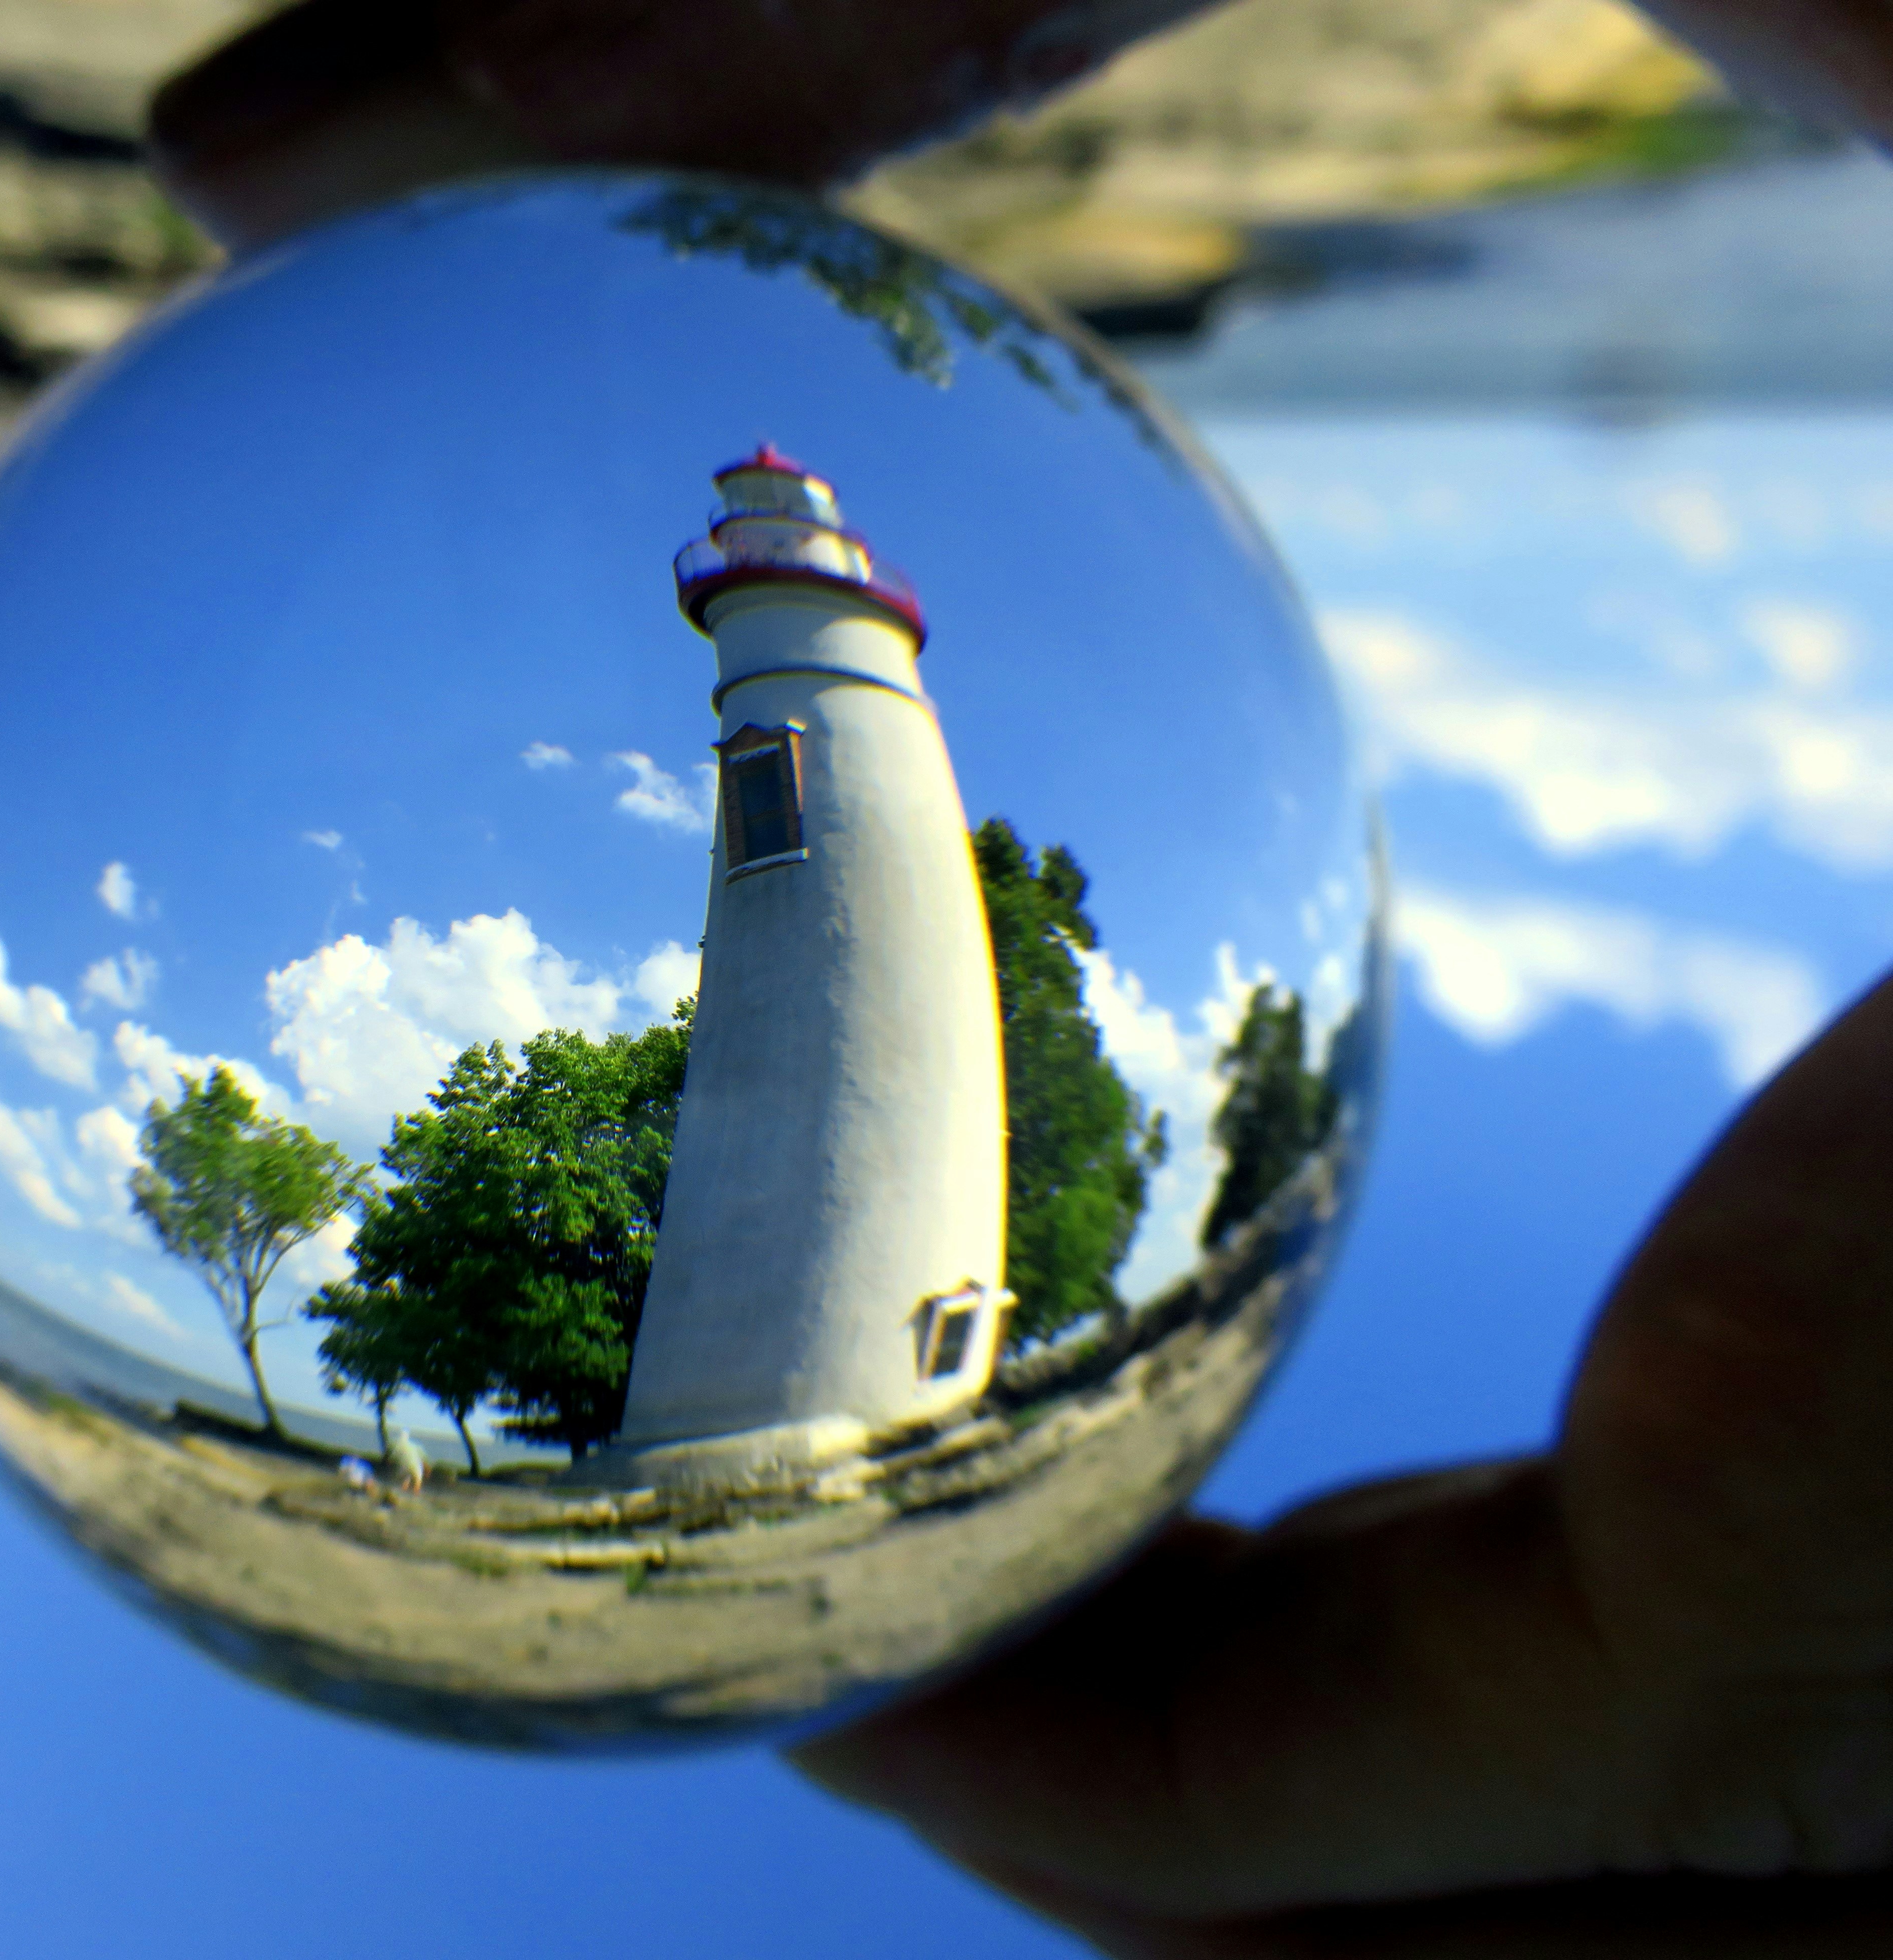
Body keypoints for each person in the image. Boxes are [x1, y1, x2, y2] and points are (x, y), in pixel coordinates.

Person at [143, 5, 1893, 1951]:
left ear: (812, 563)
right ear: (783, 564)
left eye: (780, 522)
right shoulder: (796, 680)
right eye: (766, 523)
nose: (772, 530)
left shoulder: (813, 667)